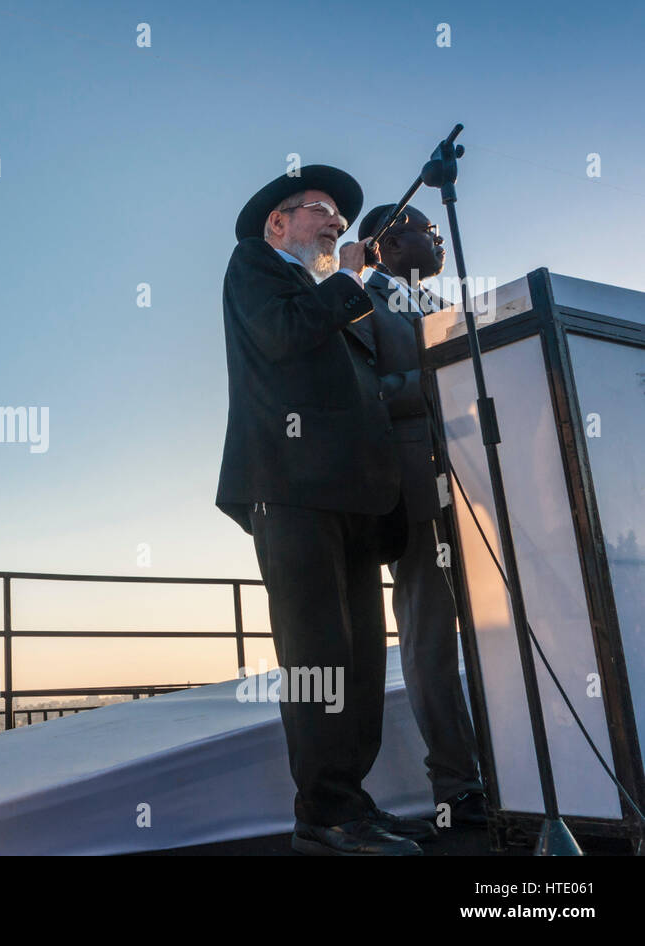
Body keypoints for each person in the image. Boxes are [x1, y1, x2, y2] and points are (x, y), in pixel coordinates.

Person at [215, 165, 435, 855]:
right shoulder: (256, 266)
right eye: (322, 209)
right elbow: (283, 337)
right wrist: (345, 278)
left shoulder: (330, 295)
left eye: (342, 215)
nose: (338, 222)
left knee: (362, 659)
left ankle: (352, 802)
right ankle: (324, 815)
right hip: (291, 492)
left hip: (353, 500)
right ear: (279, 222)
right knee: (318, 659)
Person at [356, 204, 487, 826]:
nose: (434, 237)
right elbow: (362, 391)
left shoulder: (447, 307)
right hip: (412, 484)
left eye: (437, 229)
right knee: (431, 636)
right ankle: (458, 786)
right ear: (381, 243)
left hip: (480, 485)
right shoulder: (358, 302)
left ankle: (521, 763)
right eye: (418, 227)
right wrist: (434, 381)